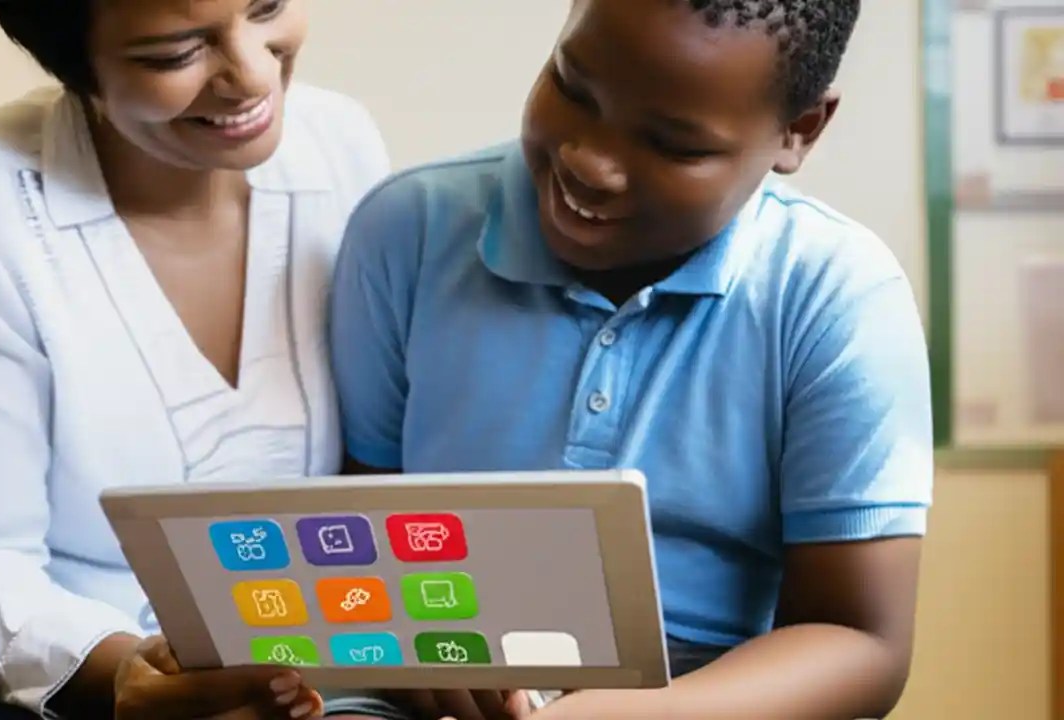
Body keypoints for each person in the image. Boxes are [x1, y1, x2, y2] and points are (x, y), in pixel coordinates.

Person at [330, 1, 932, 718]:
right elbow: (357, 537)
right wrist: (411, 656)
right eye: (572, 88)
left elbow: (860, 641)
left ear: (798, 131)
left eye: (673, 145)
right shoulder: (409, 232)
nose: (589, 161)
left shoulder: (838, 296)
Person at [0, 0, 401, 718]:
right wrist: (128, 674)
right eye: (176, 53)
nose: (250, 75)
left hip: (287, 675)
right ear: (77, 67)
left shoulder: (340, 147)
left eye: (267, 7)